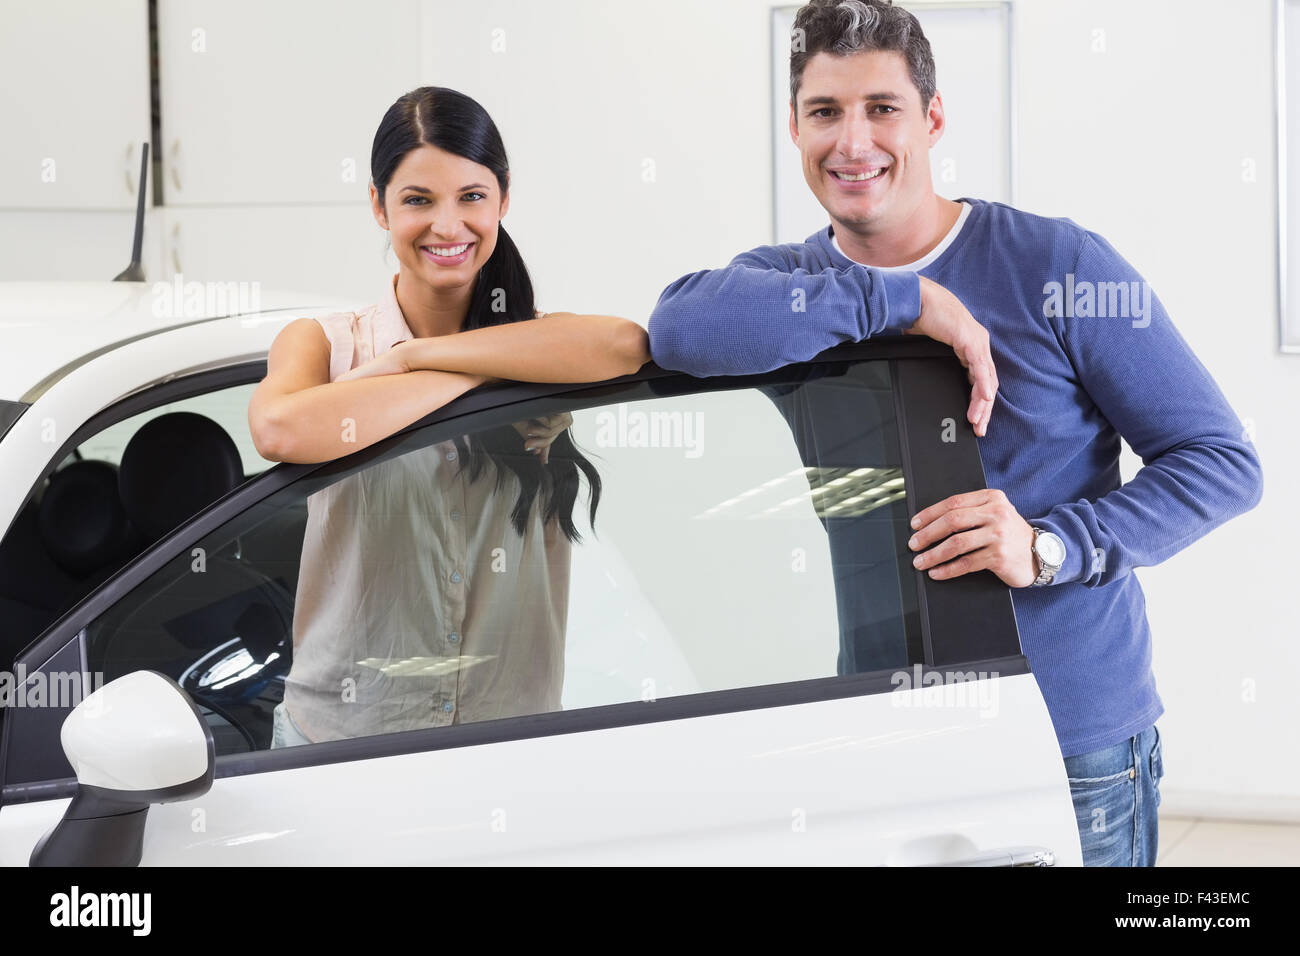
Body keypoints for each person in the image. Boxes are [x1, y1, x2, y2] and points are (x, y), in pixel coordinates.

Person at [646, 0, 1262, 866]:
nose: (852, 141)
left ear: (932, 118)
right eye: (825, 111)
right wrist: (907, 300)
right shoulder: (790, 287)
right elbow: (680, 331)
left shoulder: (1058, 265)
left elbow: (1222, 463)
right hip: (884, 736)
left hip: (1068, 742)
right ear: (794, 128)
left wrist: (1050, 546)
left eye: (882, 108)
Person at [248, 86, 649, 748]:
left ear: (504, 198)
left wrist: (420, 359)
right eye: (417, 200)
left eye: (471, 196)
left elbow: (625, 344)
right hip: (343, 738)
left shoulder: (543, 344)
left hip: (505, 741)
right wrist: (488, 370)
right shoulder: (326, 345)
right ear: (378, 205)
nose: (447, 225)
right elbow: (280, 429)